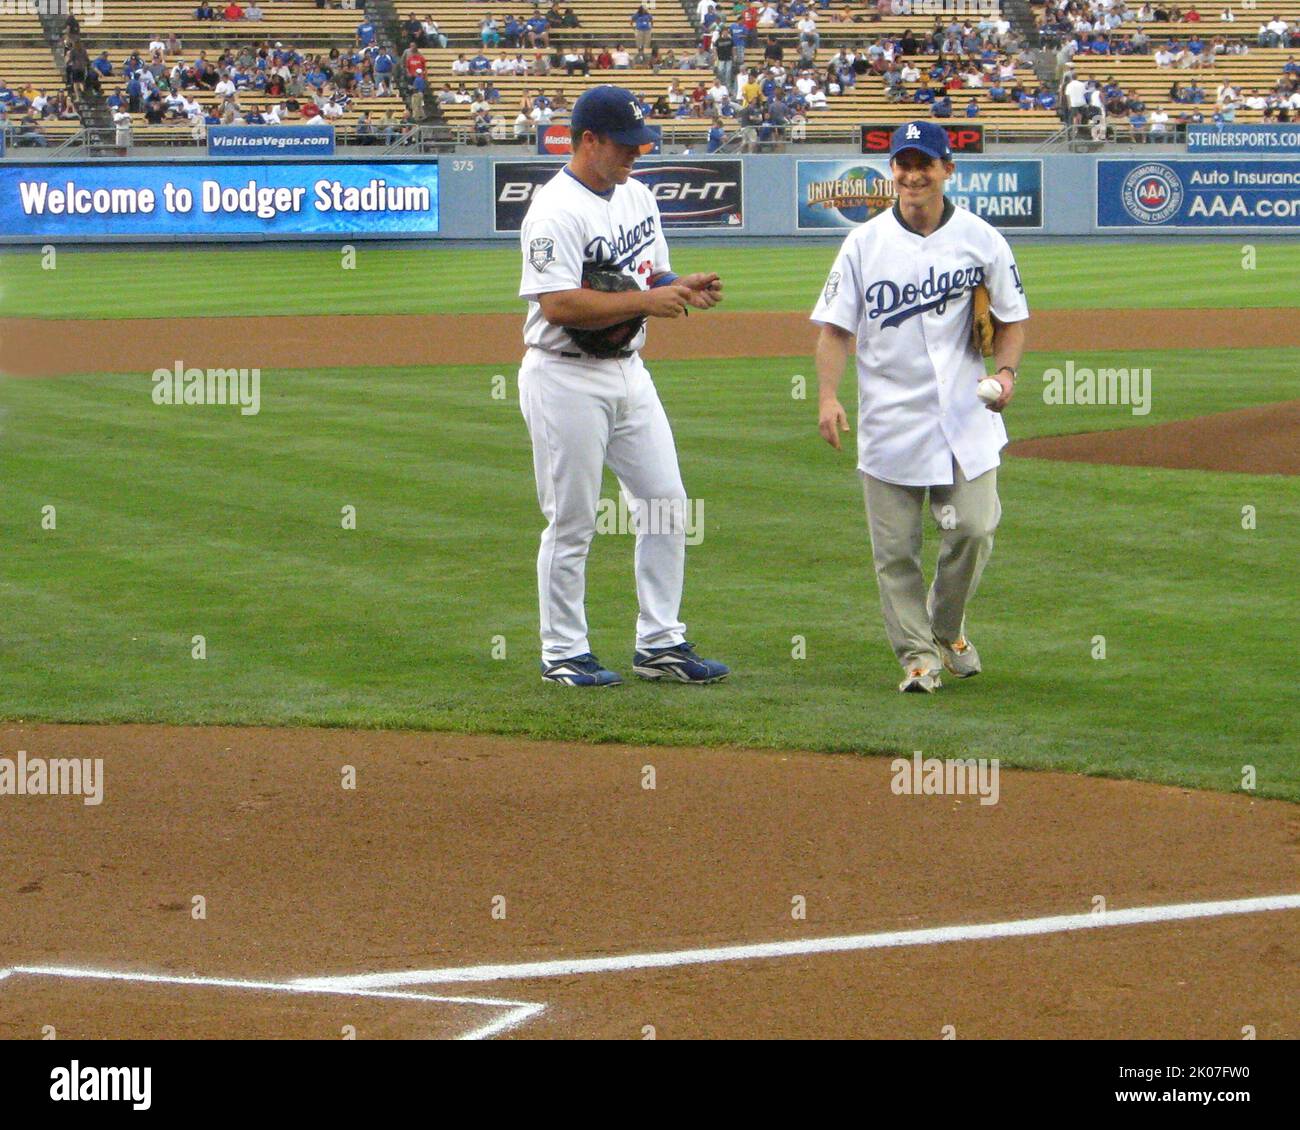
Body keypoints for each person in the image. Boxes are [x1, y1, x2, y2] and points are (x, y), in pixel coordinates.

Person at [516, 85, 730, 687]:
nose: (637, 155)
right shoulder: (554, 209)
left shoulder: (637, 194)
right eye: (626, 145)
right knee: (572, 520)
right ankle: (563, 650)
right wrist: (647, 299)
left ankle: (660, 642)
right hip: (563, 376)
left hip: (629, 370)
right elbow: (557, 304)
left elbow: (650, 272)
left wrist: (680, 285)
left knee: (666, 504)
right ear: (588, 141)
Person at [810, 121, 1028, 694]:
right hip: (889, 419)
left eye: (923, 164)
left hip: (966, 415)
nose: (911, 175)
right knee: (895, 551)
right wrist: (829, 396)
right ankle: (916, 656)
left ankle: (946, 626)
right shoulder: (864, 243)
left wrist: (1006, 373)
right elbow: (835, 329)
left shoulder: (983, 239)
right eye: (902, 165)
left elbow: (1012, 318)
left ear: (946, 171)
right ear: (893, 173)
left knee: (976, 529)